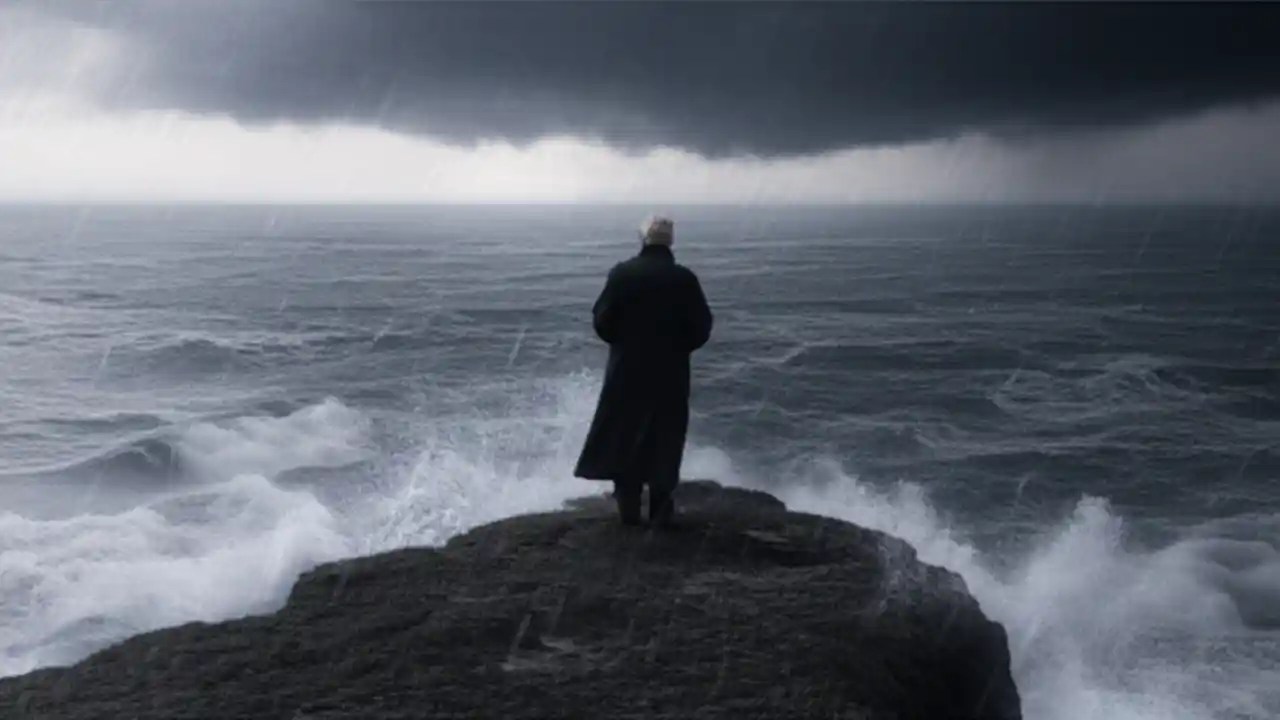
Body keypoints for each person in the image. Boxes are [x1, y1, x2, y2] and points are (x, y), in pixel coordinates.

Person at [574, 215, 713, 527]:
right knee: (665, 434)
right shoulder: (684, 279)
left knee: (625, 432)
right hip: (670, 371)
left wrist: (624, 344)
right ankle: (661, 510)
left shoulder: (622, 275)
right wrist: (677, 348)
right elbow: (702, 328)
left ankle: (628, 507)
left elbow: (603, 321)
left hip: (627, 370)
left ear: (643, 239)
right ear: (670, 242)